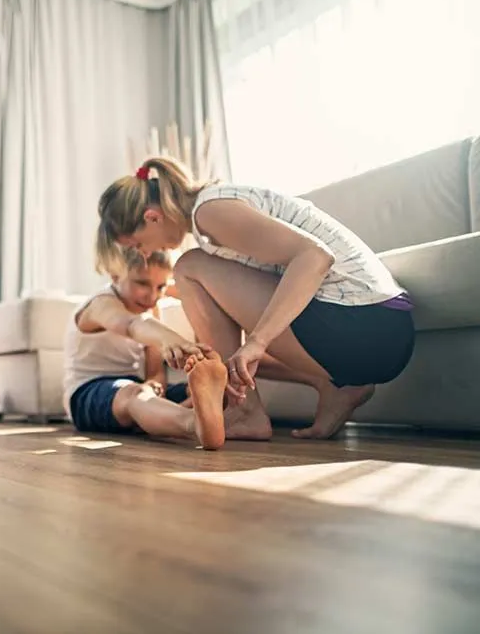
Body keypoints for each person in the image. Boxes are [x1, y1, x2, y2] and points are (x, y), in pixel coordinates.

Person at [96, 157, 415, 440]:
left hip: (368, 326)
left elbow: (314, 258)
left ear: (153, 217)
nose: (145, 253)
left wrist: (257, 341)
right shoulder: (214, 208)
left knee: (189, 268)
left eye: (137, 243)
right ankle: (336, 386)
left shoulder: (211, 210)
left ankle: (246, 411)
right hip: (379, 329)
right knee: (198, 278)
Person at [63, 246, 255, 450]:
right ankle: (192, 423)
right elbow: (132, 325)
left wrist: (154, 385)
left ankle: (174, 417)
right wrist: (173, 340)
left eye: (160, 286)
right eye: (142, 283)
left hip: (136, 387)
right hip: (88, 394)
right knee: (135, 394)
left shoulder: (150, 310)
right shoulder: (100, 305)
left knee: (209, 392)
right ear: (115, 275)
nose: (152, 296)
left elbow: (155, 372)